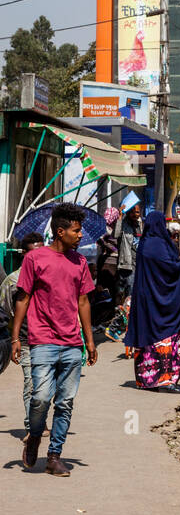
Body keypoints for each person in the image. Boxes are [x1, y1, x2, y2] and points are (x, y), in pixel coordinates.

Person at [10, 203, 97, 476]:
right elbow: (22, 299)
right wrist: (15, 338)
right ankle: (35, 435)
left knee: (65, 402)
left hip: (72, 343)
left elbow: (83, 301)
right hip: (42, 340)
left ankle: (54, 455)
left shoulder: (80, 262)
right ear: (60, 232)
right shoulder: (35, 259)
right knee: (41, 397)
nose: (80, 235)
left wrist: (90, 341)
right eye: (76, 231)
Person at [125, 213, 180, 390]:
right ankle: (166, 379)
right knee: (166, 338)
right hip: (163, 300)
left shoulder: (144, 244)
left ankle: (148, 380)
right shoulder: (158, 244)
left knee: (147, 336)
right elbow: (170, 268)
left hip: (146, 299)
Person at [0, 232, 45, 434]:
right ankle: (32, 427)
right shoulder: (12, 281)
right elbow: (7, 309)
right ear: (24, 255)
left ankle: (39, 420)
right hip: (26, 339)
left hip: (49, 339)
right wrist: (15, 337)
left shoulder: (49, 276)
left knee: (46, 386)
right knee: (31, 383)